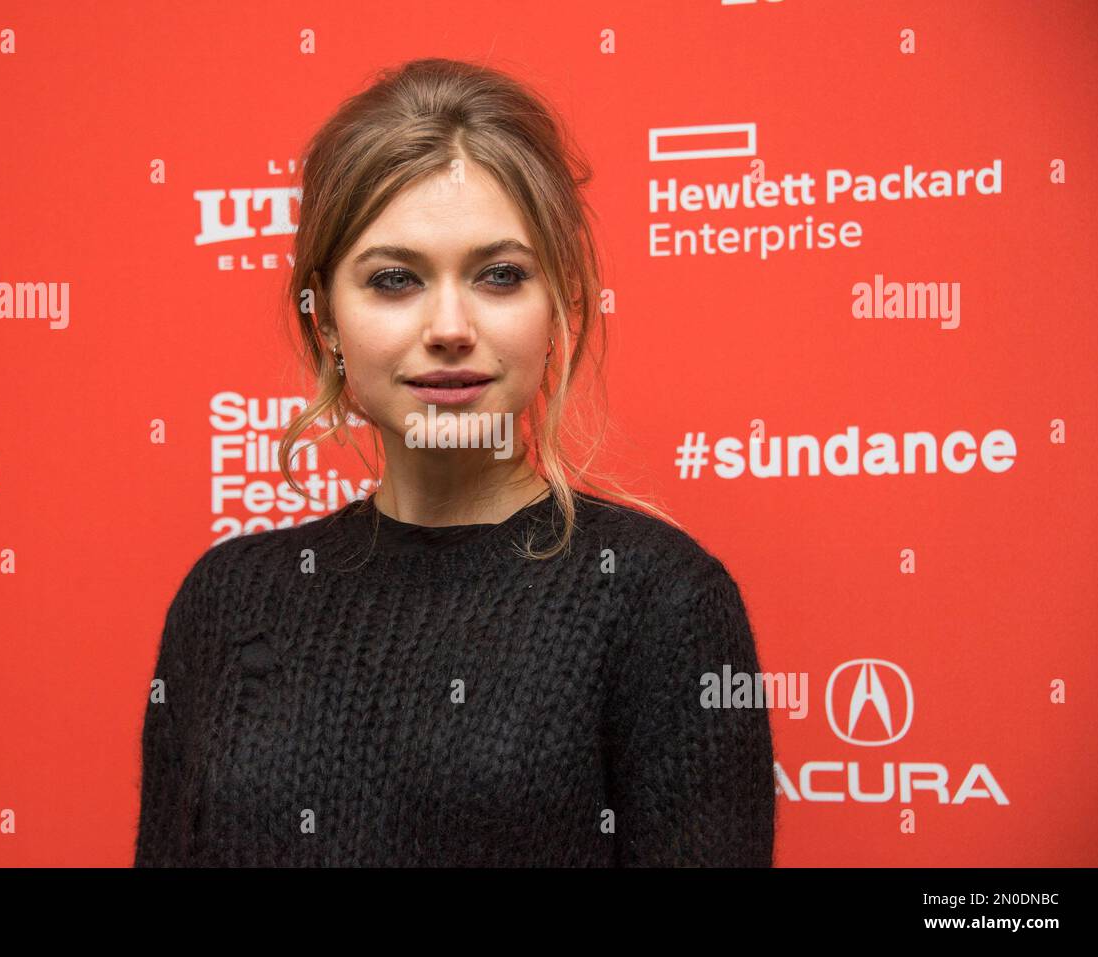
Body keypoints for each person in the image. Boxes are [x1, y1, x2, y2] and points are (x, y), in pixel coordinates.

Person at [135, 57, 776, 867]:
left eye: (499, 275)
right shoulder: (225, 601)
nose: (448, 325)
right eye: (394, 279)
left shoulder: (662, 604)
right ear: (324, 316)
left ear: (558, 308)